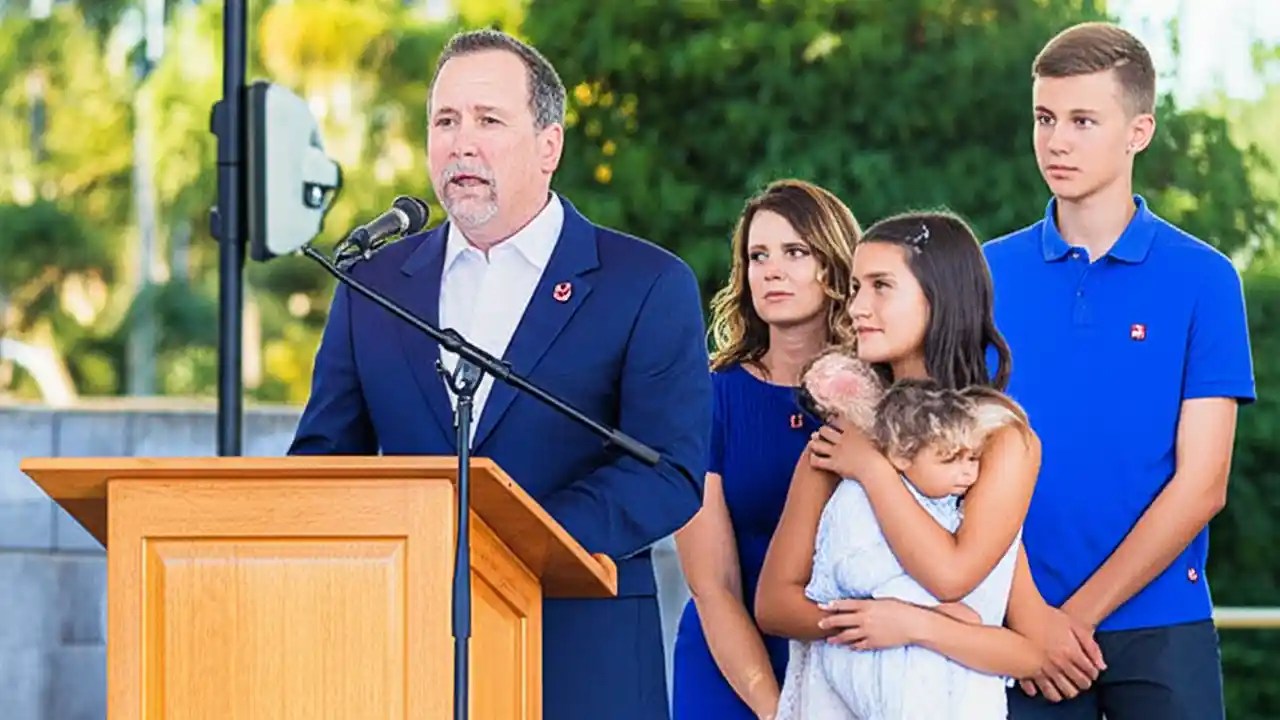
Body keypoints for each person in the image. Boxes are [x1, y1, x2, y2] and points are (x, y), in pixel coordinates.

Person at [288, 29, 713, 720]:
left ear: (550, 146)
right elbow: (324, 461)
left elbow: (669, 471)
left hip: (581, 660)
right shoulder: (373, 284)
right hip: (407, 659)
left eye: (489, 120)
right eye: (445, 121)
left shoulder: (646, 284)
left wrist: (512, 539)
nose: (462, 142)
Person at [982, 22, 1257, 719]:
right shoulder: (982, 275)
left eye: (1082, 120)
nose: (1057, 141)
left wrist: (1072, 618)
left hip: (1161, 622)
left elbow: (1203, 485)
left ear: (1139, 131)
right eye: (1045, 118)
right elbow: (954, 467)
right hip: (1013, 622)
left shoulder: (1206, 279)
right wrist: (1034, 618)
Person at [755, 211, 1047, 696]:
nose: (857, 308)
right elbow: (774, 603)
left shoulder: (998, 436)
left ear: (940, 296)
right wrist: (867, 623)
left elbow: (953, 577)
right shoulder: (841, 433)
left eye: (881, 286)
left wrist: (872, 468)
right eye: (854, 288)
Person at [671, 179, 860, 720]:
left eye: (795, 252)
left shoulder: (882, 398)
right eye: (758, 256)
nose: (771, 270)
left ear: (834, 267)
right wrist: (775, 708)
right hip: (730, 662)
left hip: (848, 658)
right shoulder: (708, 396)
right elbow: (714, 585)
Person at [779, 363, 1027, 720]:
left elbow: (1028, 651)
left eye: (973, 458)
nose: (968, 472)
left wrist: (919, 623)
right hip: (860, 681)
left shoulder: (962, 512)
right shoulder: (851, 485)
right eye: (950, 459)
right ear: (903, 455)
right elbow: (844, 576)